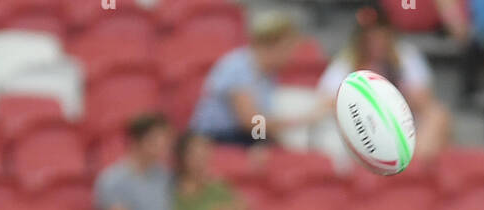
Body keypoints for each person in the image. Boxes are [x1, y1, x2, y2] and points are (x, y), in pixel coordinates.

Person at [318, 7, 452, 161]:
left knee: (438, 114)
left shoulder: (404, 56)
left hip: (401, 127)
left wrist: (394, 91)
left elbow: (424, 98)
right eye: (371, 35)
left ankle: (410, 167)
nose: (377, 40)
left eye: (381, 33)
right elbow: (326, 101)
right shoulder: (347, 61)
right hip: (364, 128)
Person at [190, 10, 304, 146]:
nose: (290, 56)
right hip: (214, 139)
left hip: (242, 138)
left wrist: (263, 142)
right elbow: (251, 121)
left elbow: (259, 124)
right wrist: (302, 120)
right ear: (273, 45)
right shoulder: (237, 67)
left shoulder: (269, 74)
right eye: (287, 48)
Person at [94, 112, 174, 210]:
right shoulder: (113, 180)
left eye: (165, 139)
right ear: (136, 141)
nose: (163, 145)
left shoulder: (165, 177)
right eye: (156, 139)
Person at [169, 131, 256, 210]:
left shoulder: (219, 187)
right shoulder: (173, 194)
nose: (201, 159)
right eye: (195, 154)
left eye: (205, 152)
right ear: (182, 158)